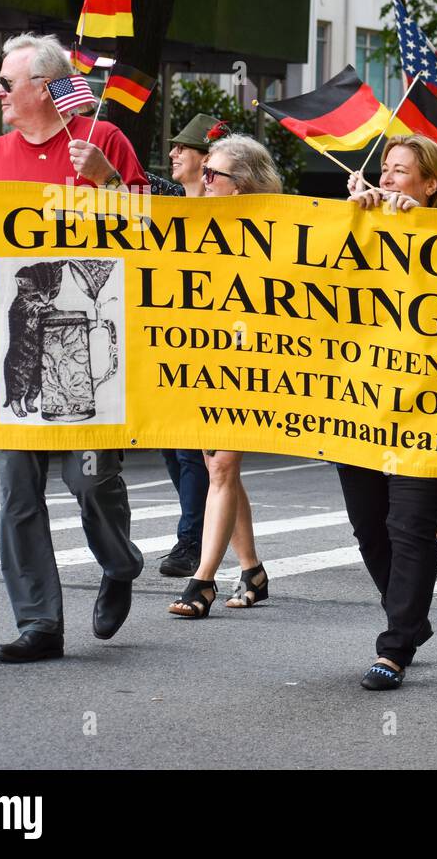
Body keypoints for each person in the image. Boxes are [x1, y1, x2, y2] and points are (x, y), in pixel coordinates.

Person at [0, 32, 147, 662]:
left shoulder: (102, 141)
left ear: (45, 88)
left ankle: (120, 563)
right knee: (18, 490)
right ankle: (39, 622)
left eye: (6, 83)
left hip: (83, 343)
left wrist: (108, 183)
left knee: (89, 479)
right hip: (12, 347)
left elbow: (156, 232)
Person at [340, 134, 437, 690]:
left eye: (400, 171)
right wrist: (347, 224)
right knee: (370, 529)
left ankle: (393, 649)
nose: (387, 180)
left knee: (409, 527)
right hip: (361, 406)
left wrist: (431, 230)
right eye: (384, 170)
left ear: (430, 184)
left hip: (435, 411)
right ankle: (410, 617)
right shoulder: (362, 228)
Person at [167, 134, 281, 616]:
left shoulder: (280, 229)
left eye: (213, 173)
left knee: (221, 466)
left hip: (250, 359)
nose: (203, 177)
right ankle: (252, 569)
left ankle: (202, 582)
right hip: (204, 356)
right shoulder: (192, 219)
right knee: (221, 468)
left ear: (242, 185)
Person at [152, 114, 226, 577]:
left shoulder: (231, 209)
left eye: (184, 147)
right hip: (169, 340)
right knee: (175, 445)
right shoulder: (167, 199)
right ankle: (245, 561)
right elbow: (121, 187)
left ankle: (191, 541)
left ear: (208, 160)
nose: (175, 153)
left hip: (215, 345)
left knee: (197, 450)